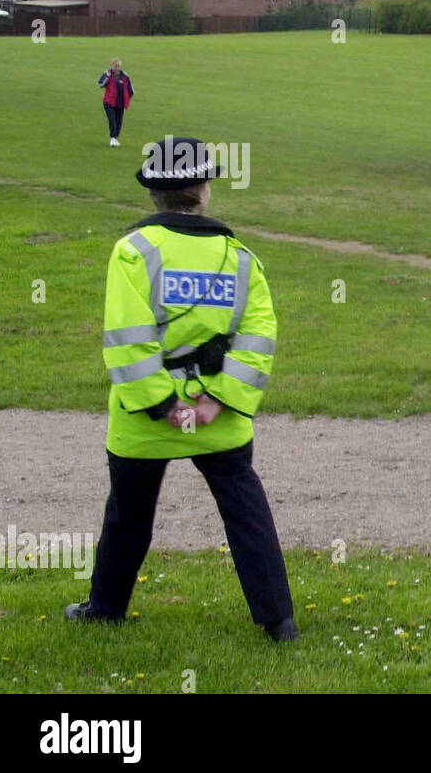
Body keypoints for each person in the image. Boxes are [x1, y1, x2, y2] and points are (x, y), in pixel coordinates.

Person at [66, 137, 296, 642]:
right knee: (247, 516)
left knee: (127, 516)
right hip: (220, 416)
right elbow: (259, 339)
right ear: (204, 190)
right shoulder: (241, 258)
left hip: (143, 419)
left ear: (154, 193)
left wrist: (163, 403)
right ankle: (278, 621)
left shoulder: (133, 252)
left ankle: (105, 609)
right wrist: (221, 400)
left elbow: (127, 339)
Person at [98, 57, 135, 147]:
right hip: (109, 102)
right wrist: (107, 77)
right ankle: (113, 138)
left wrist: (128, 98)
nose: (117, 68)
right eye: (115, 66)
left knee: (119, 122)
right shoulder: (107, 74)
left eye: (118, 66)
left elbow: (131, 90)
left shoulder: (125, 76)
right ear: (112, 66)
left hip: (120, 103)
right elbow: (100, 84)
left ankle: (115, 138)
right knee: (112, 120)